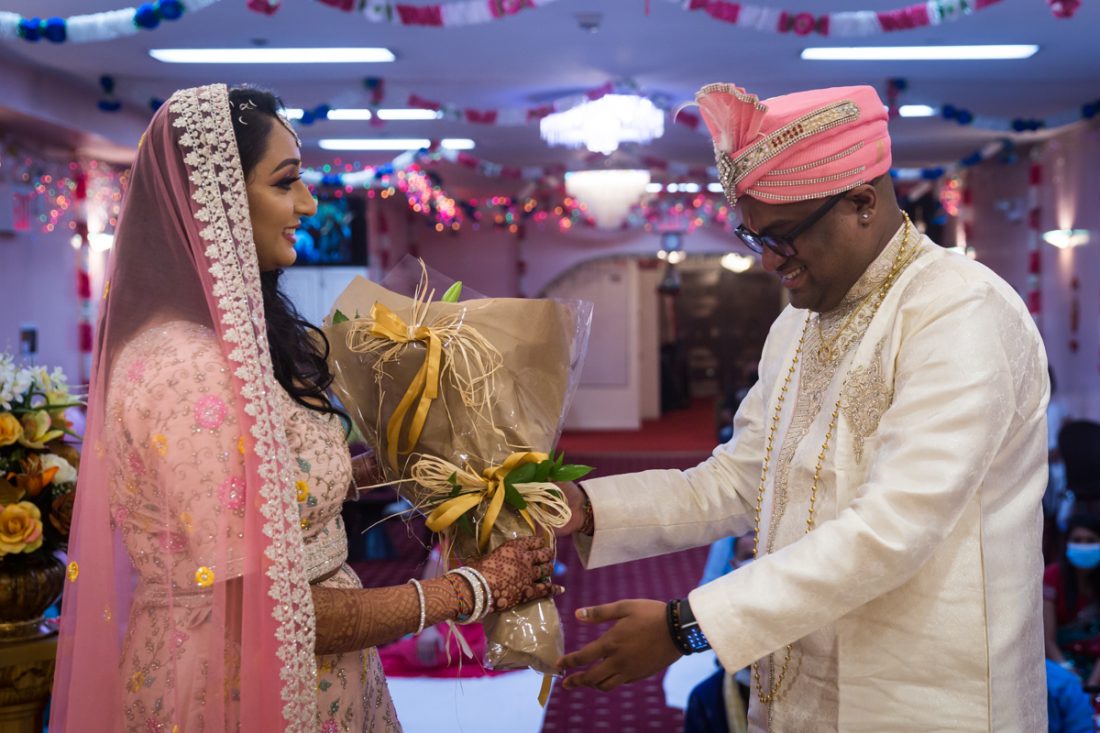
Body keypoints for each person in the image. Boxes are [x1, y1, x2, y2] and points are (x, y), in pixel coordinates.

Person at [49, 84, 558, 732]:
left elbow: (270, 492)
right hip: (229, 685)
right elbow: (276, 608)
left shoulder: (225, 342)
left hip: (318, 675)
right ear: (223, 201)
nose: (310, 203)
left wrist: (412, 464)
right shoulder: (182, 370)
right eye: (286, 181)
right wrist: (473, 588)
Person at [553, 82, 1049, 731]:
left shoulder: (960, 312)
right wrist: (585, 508)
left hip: (924, 696)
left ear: (861, 202)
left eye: (781, 237)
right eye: (753, 236)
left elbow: (892, 530)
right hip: (798, 682)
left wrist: (685, 628)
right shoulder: (798, 324)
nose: (767, 263)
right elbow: (741, 480)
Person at [1045, 512, 1100, 687]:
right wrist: (1067, 671)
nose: (1083, 545)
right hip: (1060, 665)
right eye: (1077, 540)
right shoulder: (1052, 576)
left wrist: (1092, 683)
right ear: (1067, 543)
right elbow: (1047, 640)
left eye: (1091, 540)